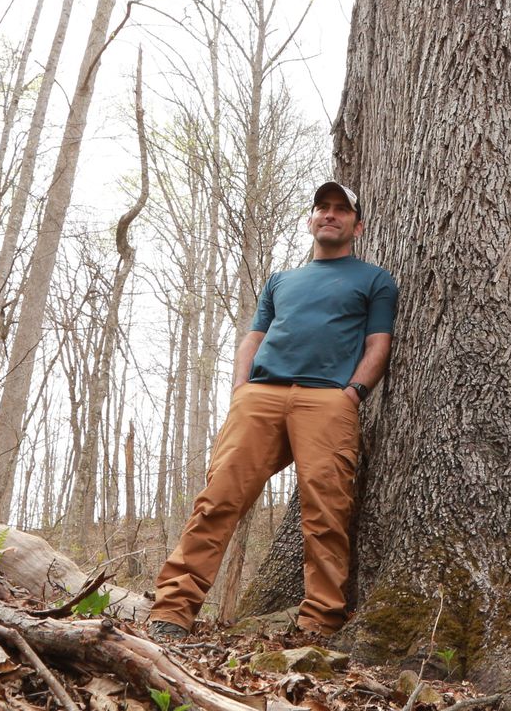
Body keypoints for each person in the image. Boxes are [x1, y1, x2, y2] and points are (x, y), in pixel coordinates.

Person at [147, 180, 397, 642]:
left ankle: (319, 622)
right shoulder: (282, 280)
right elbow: (254, 337)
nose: (330, 214)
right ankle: (172, 610)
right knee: (218, 499)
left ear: (356, 227)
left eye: (341, 210)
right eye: (322, 207)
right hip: (260, 396)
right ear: (310, 220)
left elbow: (378, 343)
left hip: (327, 400)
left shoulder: (374, 279)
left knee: (326, 510)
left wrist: (353, 392)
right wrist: (242, 387)